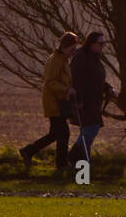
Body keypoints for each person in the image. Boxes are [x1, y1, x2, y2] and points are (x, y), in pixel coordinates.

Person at [21, 32, 79, 172]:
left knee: (55, 134)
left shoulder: (62, 60)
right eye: (72, 49)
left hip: (59, 102)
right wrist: (67, 90)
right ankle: (61, 164)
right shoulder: (55, 60)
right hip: (55, 104)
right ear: (65, 46)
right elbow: (50, 82)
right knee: (63, 133)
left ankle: (28, 151)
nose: (73, 52)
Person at [70, 31, 116, 169]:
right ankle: (75, 156)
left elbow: (97, 79)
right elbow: (76, 80)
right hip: (84, 102)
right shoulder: (81, 58)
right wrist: (78, 100)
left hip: (94, 101)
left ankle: (82, 164)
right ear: (91, 43)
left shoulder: (95, 58)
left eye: (104, 43)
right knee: (91, 128)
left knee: (89, 130)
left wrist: (107, 88)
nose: (102, 46)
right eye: (100, 43)